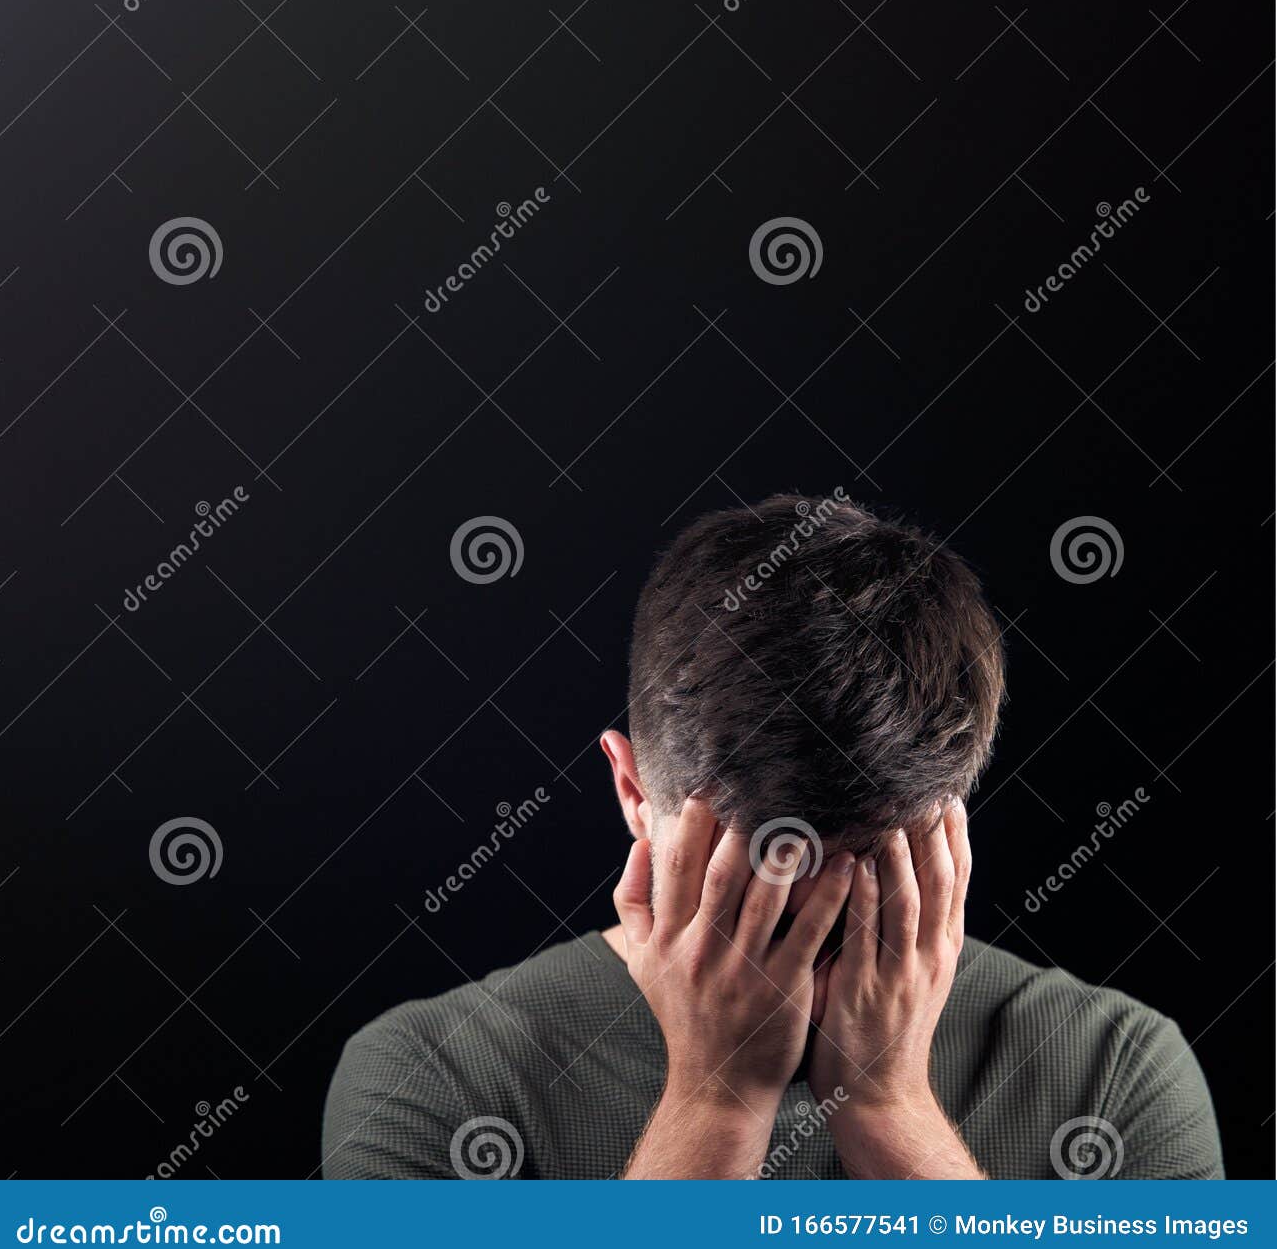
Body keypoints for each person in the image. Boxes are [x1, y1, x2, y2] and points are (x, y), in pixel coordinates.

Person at [322, 494, 1222, 1179]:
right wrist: (716, 1101)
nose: (802, 946)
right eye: (759, 876)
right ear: (635, 793)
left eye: (868, 872)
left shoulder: (1113, 1070)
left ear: (951, 818)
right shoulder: (429, 1081)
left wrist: (888, 1105)